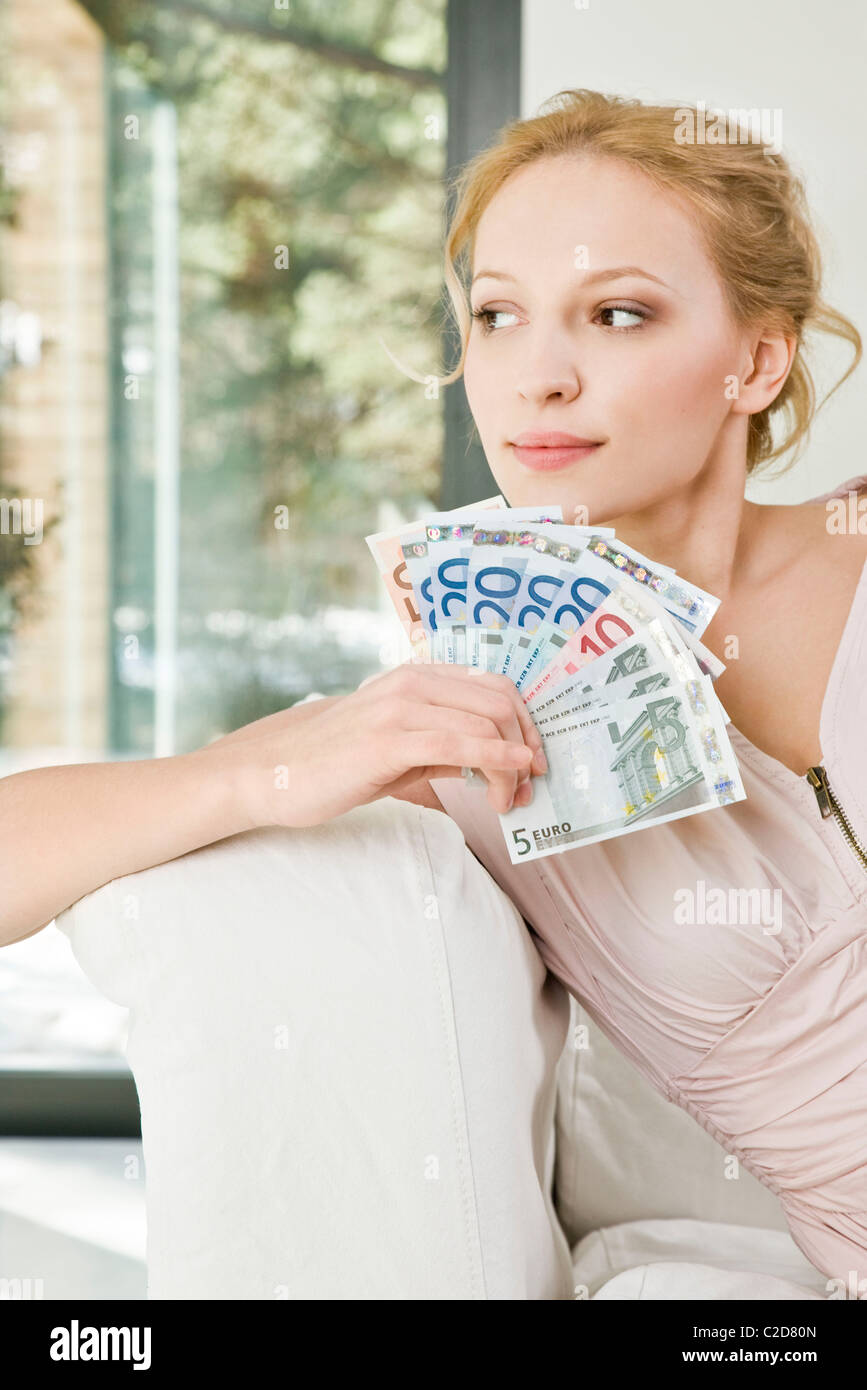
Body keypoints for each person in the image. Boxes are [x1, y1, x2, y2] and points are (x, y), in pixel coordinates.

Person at [2, 88, 865, 1297]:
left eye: (617, 314)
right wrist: (271, 767)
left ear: (757, 360)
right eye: (498, 317)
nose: (537, 379)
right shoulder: (473, 710)